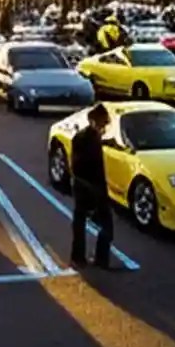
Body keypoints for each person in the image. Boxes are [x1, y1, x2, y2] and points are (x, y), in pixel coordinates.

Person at [70, 103, 114, 269]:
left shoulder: (92, 138)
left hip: (90, 188)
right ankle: (94, 259)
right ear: (94, 122)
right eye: (103, 124)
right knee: (100, 225)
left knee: (81, 223)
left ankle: (83, 258)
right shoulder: (83, 139)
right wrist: (94, 189)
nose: (104, 127)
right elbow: (77, 167)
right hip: (88, 188)